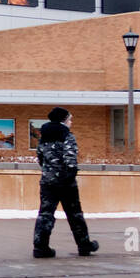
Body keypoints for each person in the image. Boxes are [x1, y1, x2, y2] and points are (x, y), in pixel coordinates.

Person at [33, 106, 99, 258]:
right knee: (75, 214)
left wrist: (49, 172)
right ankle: (84, 245)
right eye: (70, 119)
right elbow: (70, 159)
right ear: (63, 120)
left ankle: (40, 247)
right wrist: (70, 175)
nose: (71, 123)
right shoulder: (67, 135)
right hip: (66, 182)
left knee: (45, 214)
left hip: (47, 182)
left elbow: (40, 157)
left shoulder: (44, 136)